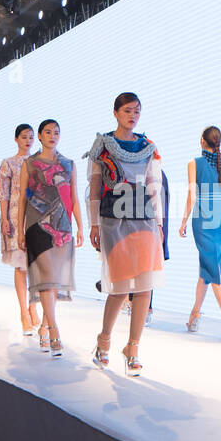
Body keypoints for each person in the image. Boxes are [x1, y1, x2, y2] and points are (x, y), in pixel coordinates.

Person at [85, 93, 164, 376]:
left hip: (143, 217)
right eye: (128, 110)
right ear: (116, 112)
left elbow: (154, 184)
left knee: (144, 285)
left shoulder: (148, 146)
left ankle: (133, 347)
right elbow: (94, 188)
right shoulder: (103, 145)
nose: (133, 115)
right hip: (113, 218)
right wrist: (93, 223)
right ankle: (104, 340)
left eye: (137, 111)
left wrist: (160, 221)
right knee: (119, 286)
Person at [13, 119, 82, 356]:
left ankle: (44, 324)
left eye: (57, 132)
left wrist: (80, 226)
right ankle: (53, 330)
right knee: (45, 276)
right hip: (36, 226)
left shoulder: (68, 164)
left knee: (53, 280)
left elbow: (74, 198)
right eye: (48, 132)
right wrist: (20, 229)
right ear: (40, 136)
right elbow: (23, 198)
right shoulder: (29, 164)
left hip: (63, 226)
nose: (53, 136)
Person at [178, 126, 221, 339]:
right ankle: (194, 315)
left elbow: (192, 195)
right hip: (220, 216)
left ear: (203, 141)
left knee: (211, 265)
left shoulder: (193, 163)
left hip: (203, 215)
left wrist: (184, 220)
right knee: (208, 264)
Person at [0, 124, 41, 335]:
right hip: (16, 217)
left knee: (34, 266)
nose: (28, 140)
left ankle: (33, 307)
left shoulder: (39, 161)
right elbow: (4, 194)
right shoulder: (8, 163)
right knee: (20, 265)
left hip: (36, 216)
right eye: (24, 137)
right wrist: (5, 218)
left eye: (31, 137)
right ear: (16, 139)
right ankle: (24, 312)